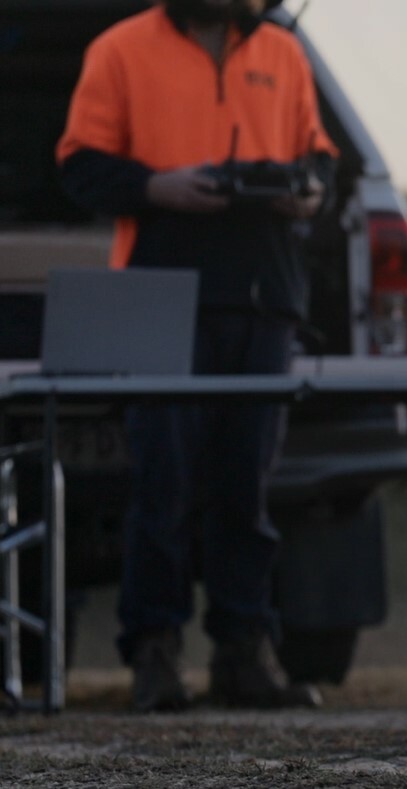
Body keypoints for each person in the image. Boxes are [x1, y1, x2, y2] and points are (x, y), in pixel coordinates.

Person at [56, 0, 337, 712]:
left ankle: (244, 652)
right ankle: (155, 653)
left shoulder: (283, 52)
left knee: (247, 487)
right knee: (164, 485)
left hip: (264, 297)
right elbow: (79, 164)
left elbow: (321, 158)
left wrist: (306, 192)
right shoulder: (120, 49)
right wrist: (159, 186)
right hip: (159, 293)